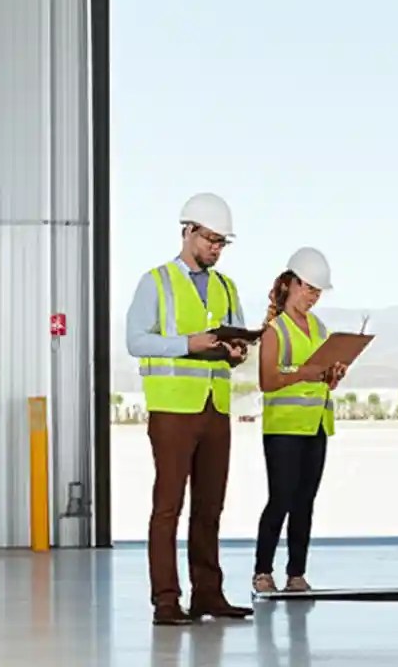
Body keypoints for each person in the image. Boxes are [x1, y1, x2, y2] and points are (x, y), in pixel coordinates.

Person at [125, 192, 255, 625]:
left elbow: (233, 340)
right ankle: (166, 600)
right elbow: (135, 340)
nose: (216, 249)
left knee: (209, 507)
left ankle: (208, 595)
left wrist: (236, 351)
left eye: (222, 242)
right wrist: (188, 344)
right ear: (188, 231)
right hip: (173, 410)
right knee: (168, 508)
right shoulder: (155, 281)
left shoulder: (226, 286)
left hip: (216, 408)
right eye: (211, 240)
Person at [252, 247, 348, 594]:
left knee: (305, 503)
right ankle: (263, 572)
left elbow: (322, 378)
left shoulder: (320, 328)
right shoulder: (275, 330)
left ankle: (296, 574)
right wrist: (306, 372)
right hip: (283, 429)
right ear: (291, 283)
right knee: (281, 500)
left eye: (318, 291)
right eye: (309, 288)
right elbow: (268, 380)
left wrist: (332, 375)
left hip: (316, 426)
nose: (313, 297)